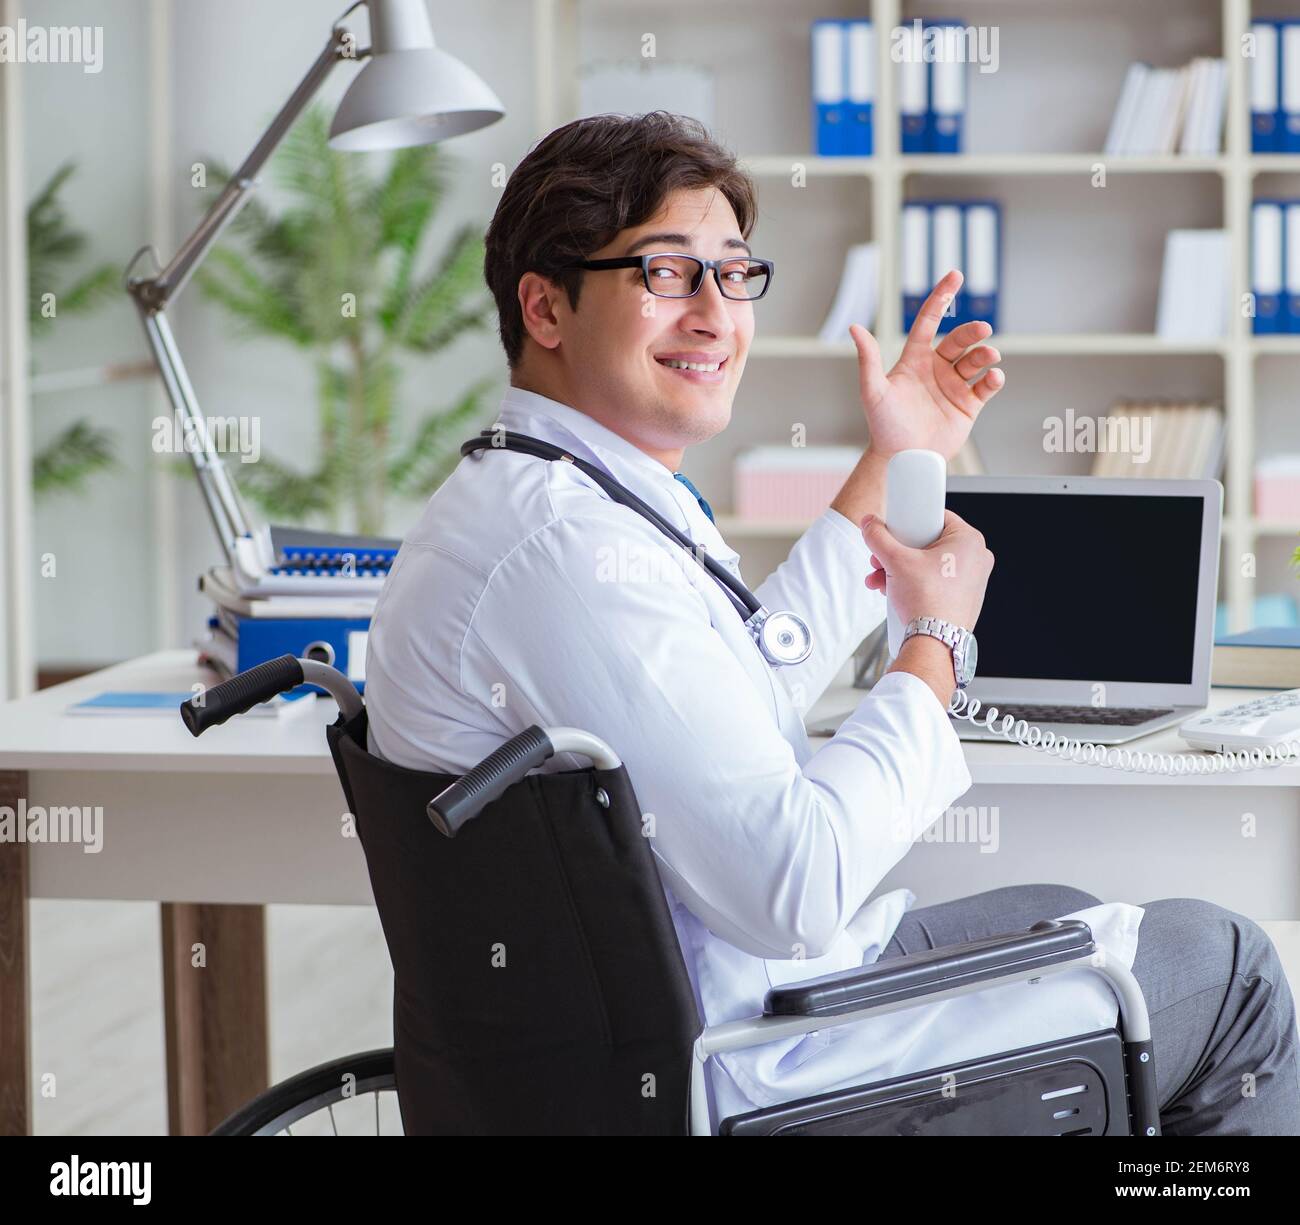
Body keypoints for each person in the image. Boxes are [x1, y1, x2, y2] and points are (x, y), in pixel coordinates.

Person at [364, 111, 1299, 1134]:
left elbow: (754, 674)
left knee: (1059, 902)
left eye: (731, 273)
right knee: (1230, 968)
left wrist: (899, 460)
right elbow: (792, 886)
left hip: (690, 1023)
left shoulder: (551, 496)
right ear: (545, 306)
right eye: (666, 274)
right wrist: (931, 648)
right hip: (753, 1064)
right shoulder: (565, 552)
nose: (715, 314)